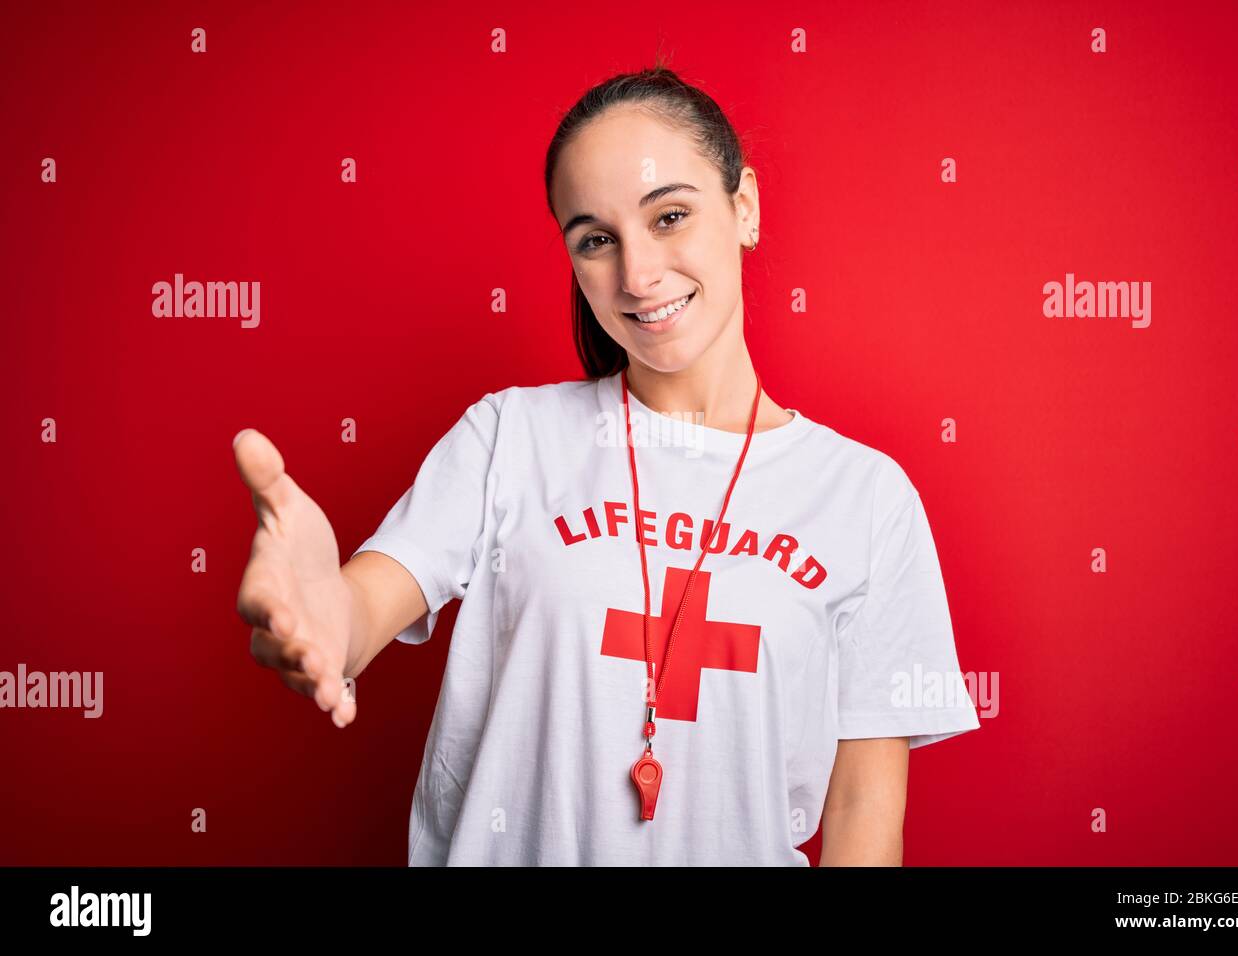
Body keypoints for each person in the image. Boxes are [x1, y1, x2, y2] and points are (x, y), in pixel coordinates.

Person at [233, 64, 981, 867]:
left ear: (745, 207)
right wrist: (317, 616)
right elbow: (356, 615)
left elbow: (864, 810)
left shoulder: (866, 497)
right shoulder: (508, 437)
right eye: (596, 239)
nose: (637, 274)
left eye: (669, 216)